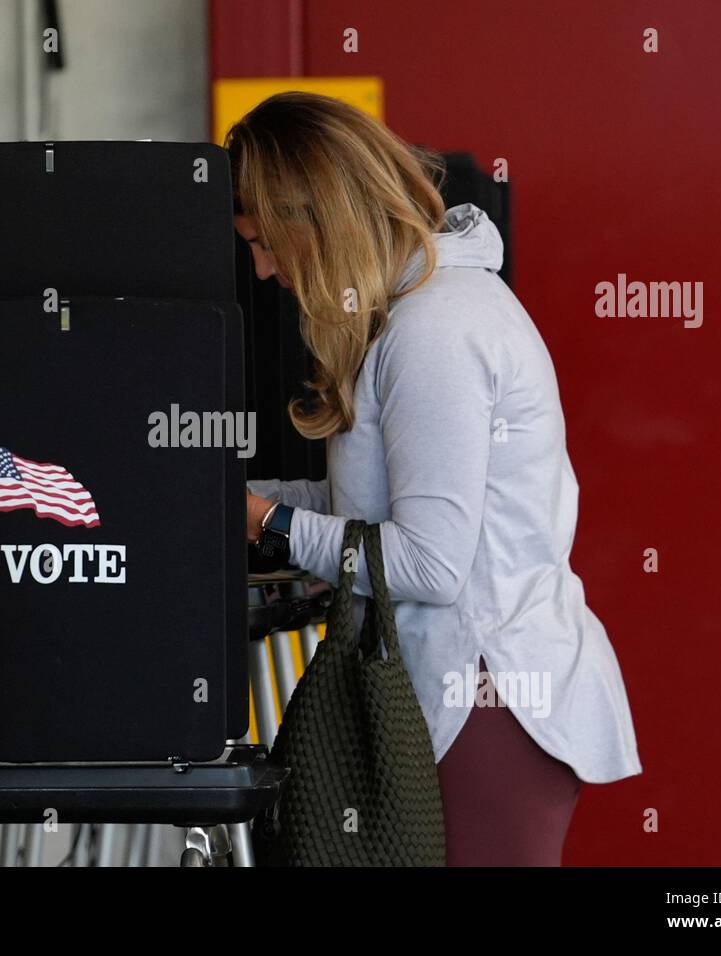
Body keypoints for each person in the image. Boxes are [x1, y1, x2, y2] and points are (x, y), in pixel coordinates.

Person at [230, 92, 642, 866]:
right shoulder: (417, 314)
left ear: (321, 216)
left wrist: (265, 523)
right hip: (471, 697)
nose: (264, 269)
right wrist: (240, 503)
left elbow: (428, 561)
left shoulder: (436, 332)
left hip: (488, 699)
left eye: (266, 242)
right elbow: (373, 510)